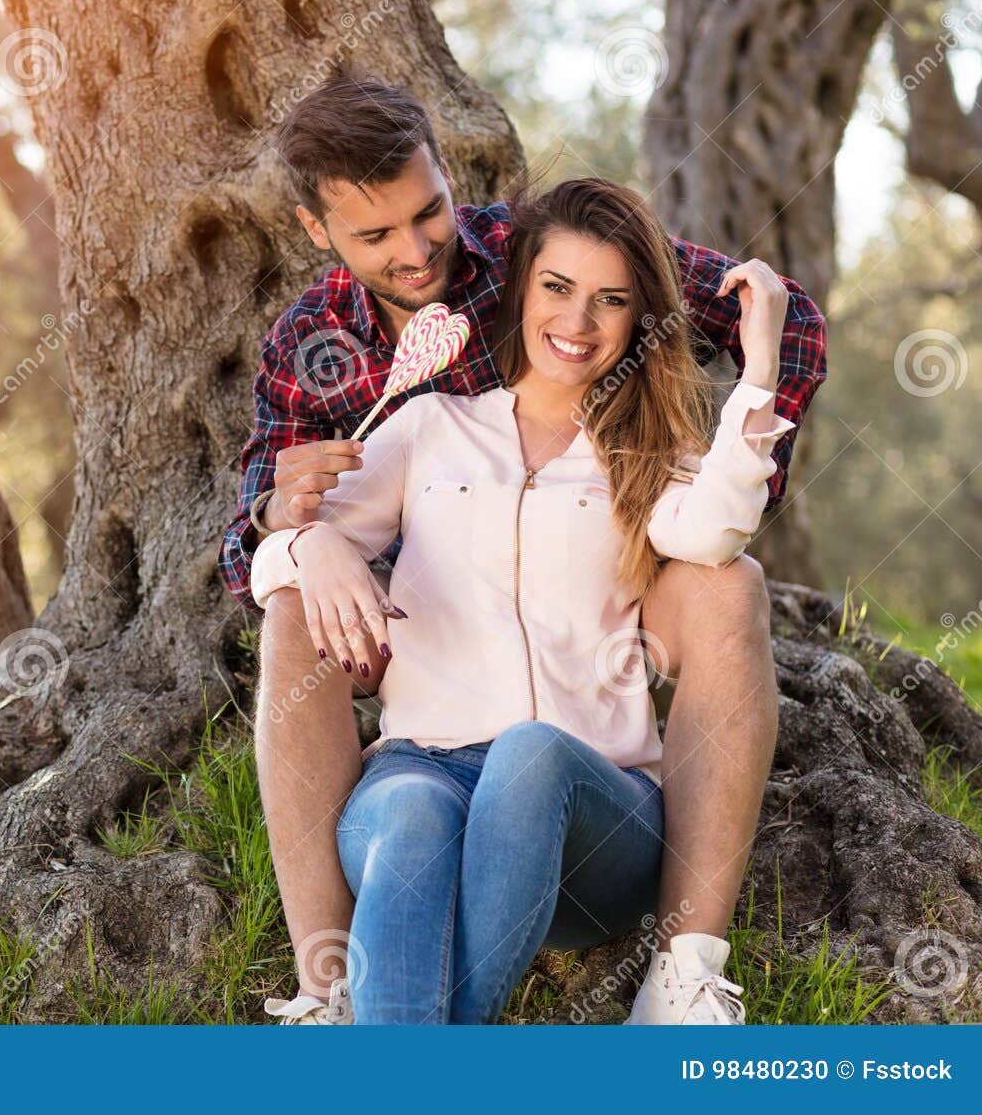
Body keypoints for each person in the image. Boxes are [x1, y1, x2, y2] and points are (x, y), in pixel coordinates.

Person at [217, 74, 826, 1025]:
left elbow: (770, 358)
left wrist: (666, 522)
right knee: (352, 714)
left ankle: (681, 975)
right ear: (315, 230)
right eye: (377, 235)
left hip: (588, 728)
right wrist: (303, 541)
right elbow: (260, 526)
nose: (417, 250)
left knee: (711, 590)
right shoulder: (360, 379)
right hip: (423, 732)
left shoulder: (536, 254)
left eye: (429, 214)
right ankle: (329, 995)